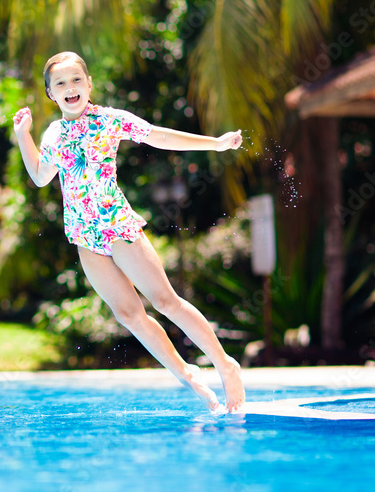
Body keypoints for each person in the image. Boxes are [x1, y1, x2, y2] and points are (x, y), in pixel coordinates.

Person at [13, 51, 246, 413]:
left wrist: (214, 143)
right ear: (50, 94)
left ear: (89, 85)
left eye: (76, 80)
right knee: (127, 314)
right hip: (84, 236)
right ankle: (187, 375)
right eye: (60, 83)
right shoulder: (54, 133)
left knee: (165, 301)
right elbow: (41, 175)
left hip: (116, 224)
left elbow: (158, 137)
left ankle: (224, 363)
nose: (70, 88)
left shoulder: (109, 120)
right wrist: (22, 135)